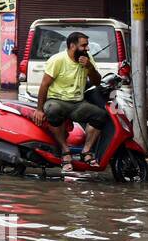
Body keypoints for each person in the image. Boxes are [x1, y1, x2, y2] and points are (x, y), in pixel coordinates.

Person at [31, 31, 105, 169]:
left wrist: (89, 67)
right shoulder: (58, 60)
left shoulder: (87, 59)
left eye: (87, 45)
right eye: (84, 46)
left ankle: (86, 151)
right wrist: (39, 109)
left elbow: (97, 82)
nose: (87, 48)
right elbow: (44, 85)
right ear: (72, 46)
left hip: (78, 102)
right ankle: (65, 150)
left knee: (100, 115)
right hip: (57, 100)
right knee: (52, 110)